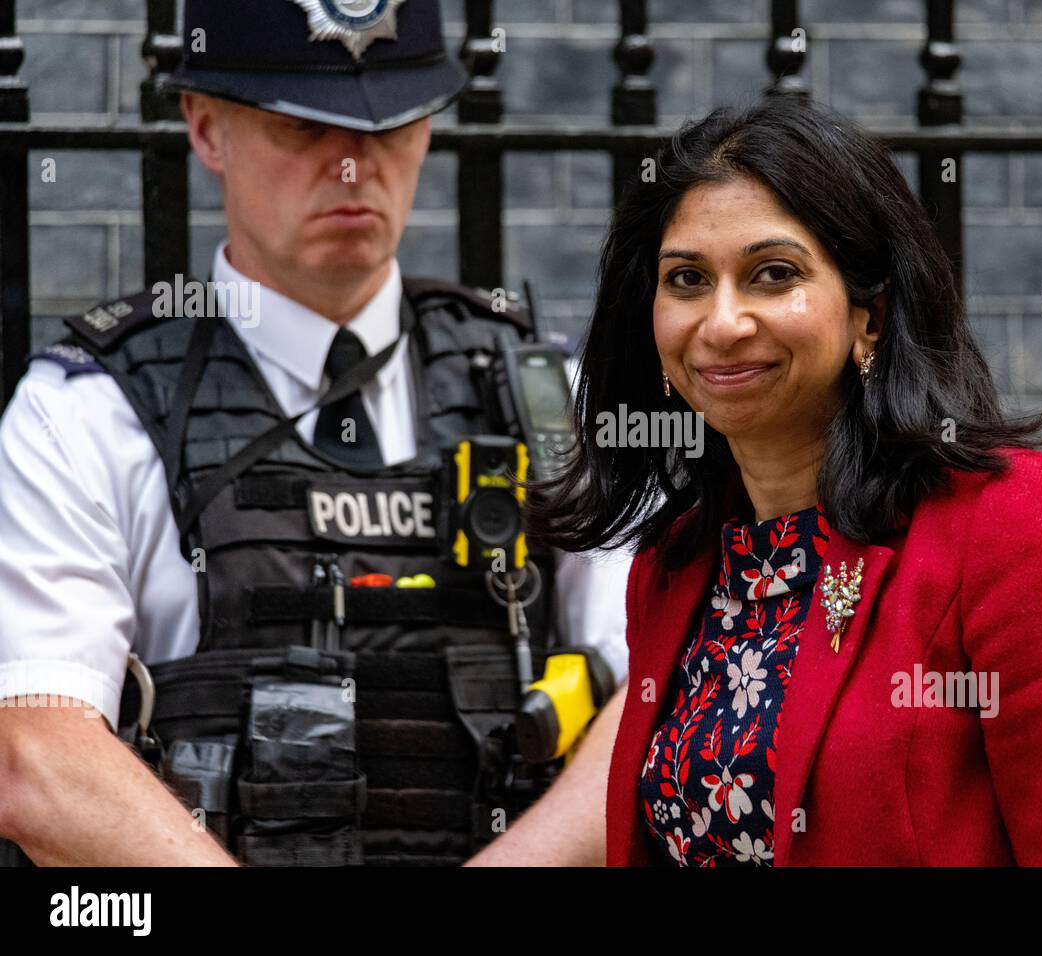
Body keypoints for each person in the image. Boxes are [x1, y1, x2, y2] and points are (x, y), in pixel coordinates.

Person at [0, 0, 630, 867]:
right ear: (207, 128)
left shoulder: (547, 393)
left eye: (392, 125)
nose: (351, 168)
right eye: (304, 125)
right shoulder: (87, 410)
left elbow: (663, 690)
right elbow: (36, 756)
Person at [511, 95, 1042, 866]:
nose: (721, 323)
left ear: (871, 316)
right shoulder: (675, 564)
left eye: (772, 274)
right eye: (686, 279)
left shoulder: (1018, 523)